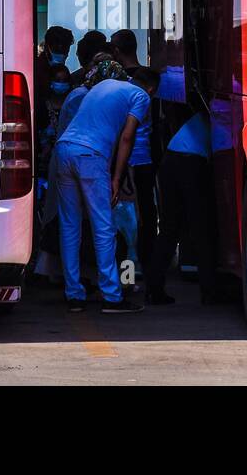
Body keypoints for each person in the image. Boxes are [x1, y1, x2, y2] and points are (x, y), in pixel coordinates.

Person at [50, 66, 159, 314]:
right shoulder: (140, 96)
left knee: (70, 226)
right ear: (151, 90)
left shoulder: (103, 85)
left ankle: (74, 295)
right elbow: (127, 137)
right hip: (91, 155)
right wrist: (117, 178)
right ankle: (111, 296)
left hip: (65, 148)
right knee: (104, 227)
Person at [147, 109, 218, 304]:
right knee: (201, 228)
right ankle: (210, 292)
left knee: (170, 229)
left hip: (171, 161)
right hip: (190, 164)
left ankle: (154, 288)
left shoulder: (203, 117)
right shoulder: (223, 116)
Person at [109, 29, 158, 278]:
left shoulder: (122, 86)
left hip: (129, 162)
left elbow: (125, 134)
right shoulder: (148, 83)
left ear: (116, 51)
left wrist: (116, 173)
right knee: (145, 216)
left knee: (127, 219)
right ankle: (143, 266)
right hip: (144, 160)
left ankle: (128, 270)